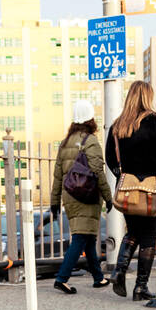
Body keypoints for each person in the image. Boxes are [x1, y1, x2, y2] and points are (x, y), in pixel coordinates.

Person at [105, 79, 156, 300]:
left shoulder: (118, 125)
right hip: (152, 189)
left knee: (133, 232)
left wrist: (123, 176)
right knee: (149, 237)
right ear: (148, 96)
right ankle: (140, 287)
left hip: (128, 190)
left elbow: (109, 157)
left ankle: (118, 271)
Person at [50, 100, 113, 293]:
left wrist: (54, 202)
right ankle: (62, 278)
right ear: (90, 119)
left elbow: (58, 175)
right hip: (86, 195)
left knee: (87, 236)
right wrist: (108, 196)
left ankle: (98, 277)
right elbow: (98, 172)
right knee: (80, 237)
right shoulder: (91, 141)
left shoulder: (65, 143)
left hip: (70, 195)